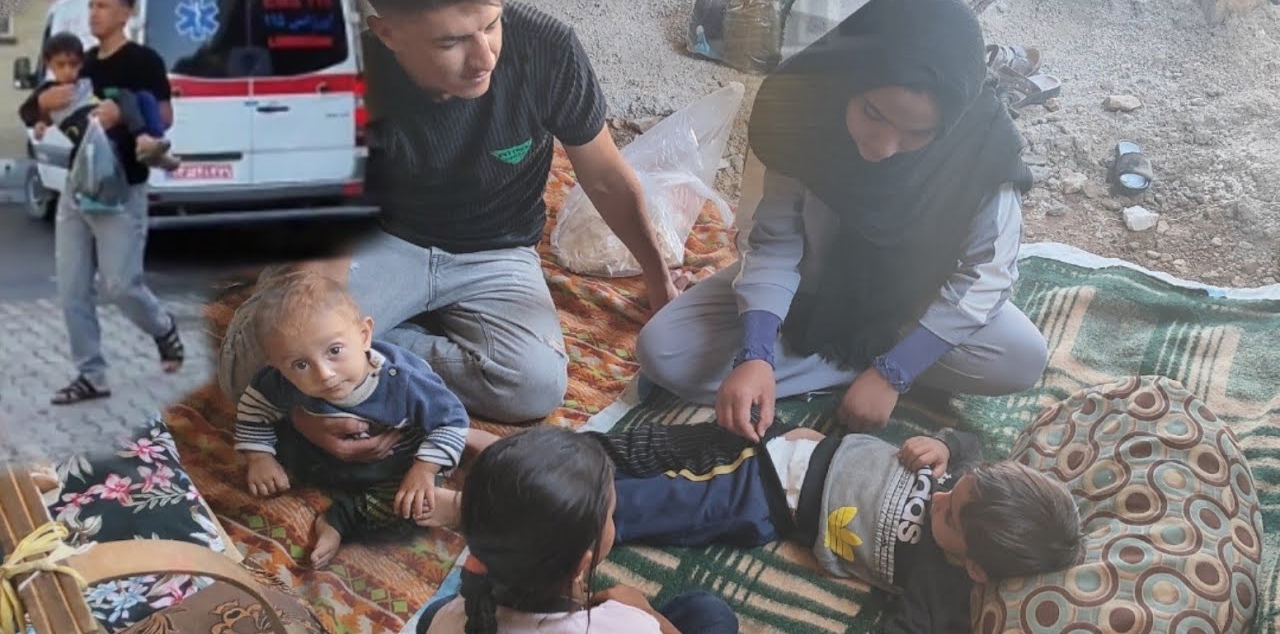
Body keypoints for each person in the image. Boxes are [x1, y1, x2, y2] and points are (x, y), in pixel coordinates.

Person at [218, 0, 683, 458]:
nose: (484, 57)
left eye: (491, 24)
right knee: (253, 370)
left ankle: (370, 344)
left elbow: (604, 175)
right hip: (379, 238)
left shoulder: (548, 48)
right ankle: (332, 325)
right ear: (388, 33)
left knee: (534, 384)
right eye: (451, 41)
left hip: (496, 249)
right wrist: (309, 407)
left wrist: (658, 280)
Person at [635, 0, 1050, 440]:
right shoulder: (806, 109)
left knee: (1021, 357)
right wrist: (754, 353)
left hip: (910, 300)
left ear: (948, 124)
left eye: (916, 134)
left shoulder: (984, 148)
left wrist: (895, 371)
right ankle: (849, 365)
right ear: (851, 80)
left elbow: (986, 275)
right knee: (663, 350)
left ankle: (864, 367)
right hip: (809, 287)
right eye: (873, 113)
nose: (882, 146)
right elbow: (775, 244)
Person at [434, 421, 1083, 633]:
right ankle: (514, 475)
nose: (939, 493)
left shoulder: (940, 588)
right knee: (667, 461)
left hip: (771, 499)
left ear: (974, 565)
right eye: (953, 485)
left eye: (946, 512)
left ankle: (493, 490)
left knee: (666, 500)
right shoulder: (966, 486)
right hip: (803, 445)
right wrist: (943, 445)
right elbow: (969, 445)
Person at [233, 270, 480, 568]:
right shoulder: (277, 382)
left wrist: (424, 469)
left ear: (364, 335)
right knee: (278, 438)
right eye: (300, 364)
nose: (324, 374)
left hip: (394, 466)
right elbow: (254, 408)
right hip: (318, 458)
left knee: (413, 508)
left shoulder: (405, 381)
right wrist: (259, 457)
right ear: (277, 366)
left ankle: (339, 520)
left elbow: (451, 421)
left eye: (334, 351)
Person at [29, 0, 186, 405]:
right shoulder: (83, 63)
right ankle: (91, 375)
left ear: (125, 13)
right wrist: (41, 105)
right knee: (72, 288)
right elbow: (43, 108)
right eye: (91, 5)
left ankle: (162, 327)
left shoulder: (144, 61)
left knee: (121, 285)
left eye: (102, 6)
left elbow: (165, 117)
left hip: (121, 189)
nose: (93, 14)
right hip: (78, 187)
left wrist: (123, 112)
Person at [417, 426, 740, 634]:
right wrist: (648, 613)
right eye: (611, 514)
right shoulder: (629, 626)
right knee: (709, 613)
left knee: (430, 613)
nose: (615, 519)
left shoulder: (452, 616)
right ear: (579, 565)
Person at [18, 31, 178, 171]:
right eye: (61, 65)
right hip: (84, 128)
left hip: (101, 114)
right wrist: (40, 116)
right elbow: (26, 112)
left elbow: (104, 91)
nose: (68, 71)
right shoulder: (47, 90)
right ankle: (143, 145)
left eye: (73, 65)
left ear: (81, 63)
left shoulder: (85, 81)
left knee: (141, 97)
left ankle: (153, 144)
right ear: (49, 64)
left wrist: (120, 95)